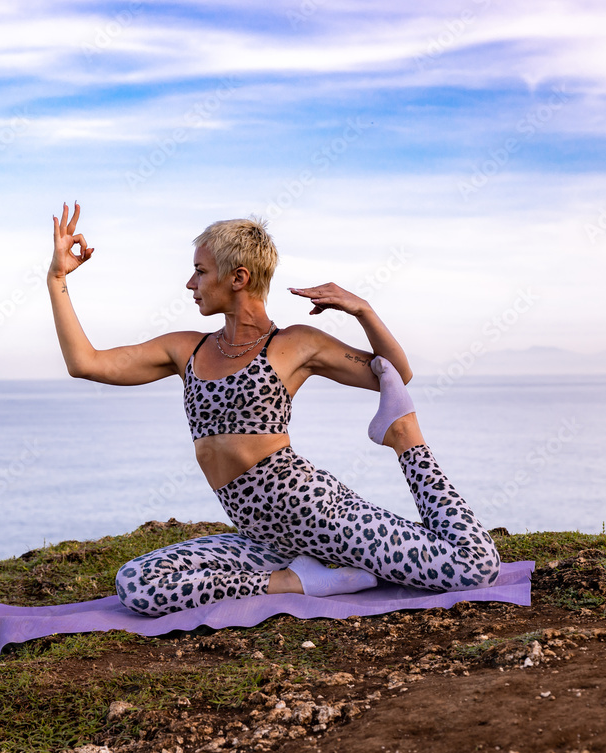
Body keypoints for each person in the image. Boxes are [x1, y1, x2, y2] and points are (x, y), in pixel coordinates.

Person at [48, 202, 501, 617]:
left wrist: (362, 310)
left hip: (316, 512)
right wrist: (58, 279)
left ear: (238, 277)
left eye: (200, 272)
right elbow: (85, 363)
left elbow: (394, 372)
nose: (190, 284)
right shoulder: (184, 349)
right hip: (261, 537)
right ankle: (292, 582)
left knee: (472, 566)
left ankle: (405, 438)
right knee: (137, 584)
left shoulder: (294, 344)